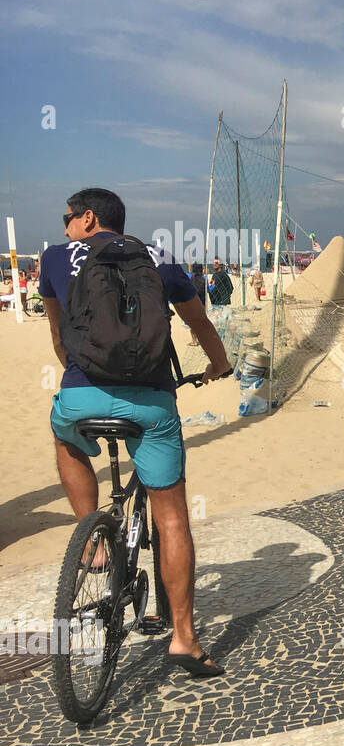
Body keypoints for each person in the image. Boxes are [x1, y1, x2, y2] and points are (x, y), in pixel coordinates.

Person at [41, 188, 232, 678]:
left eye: (68, 218)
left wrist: (78, 373)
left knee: (65, 437)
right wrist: (219, 363)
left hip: (83, 395)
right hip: (152, 401)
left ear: (88, 218)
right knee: (172, 520)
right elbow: (200, 321)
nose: (64, 227)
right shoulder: (161, 257)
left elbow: (59, 333)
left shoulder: (56, 257)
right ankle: (185, 640)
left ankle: (92, 539)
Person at [187, 263, 207, 346]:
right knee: (201, 321)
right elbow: (209, 290)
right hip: (202, 303)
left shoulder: (189, 277)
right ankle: (203, 340)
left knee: (192, 323)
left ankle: (194, 340)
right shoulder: (204, 278)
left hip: (192, 302)